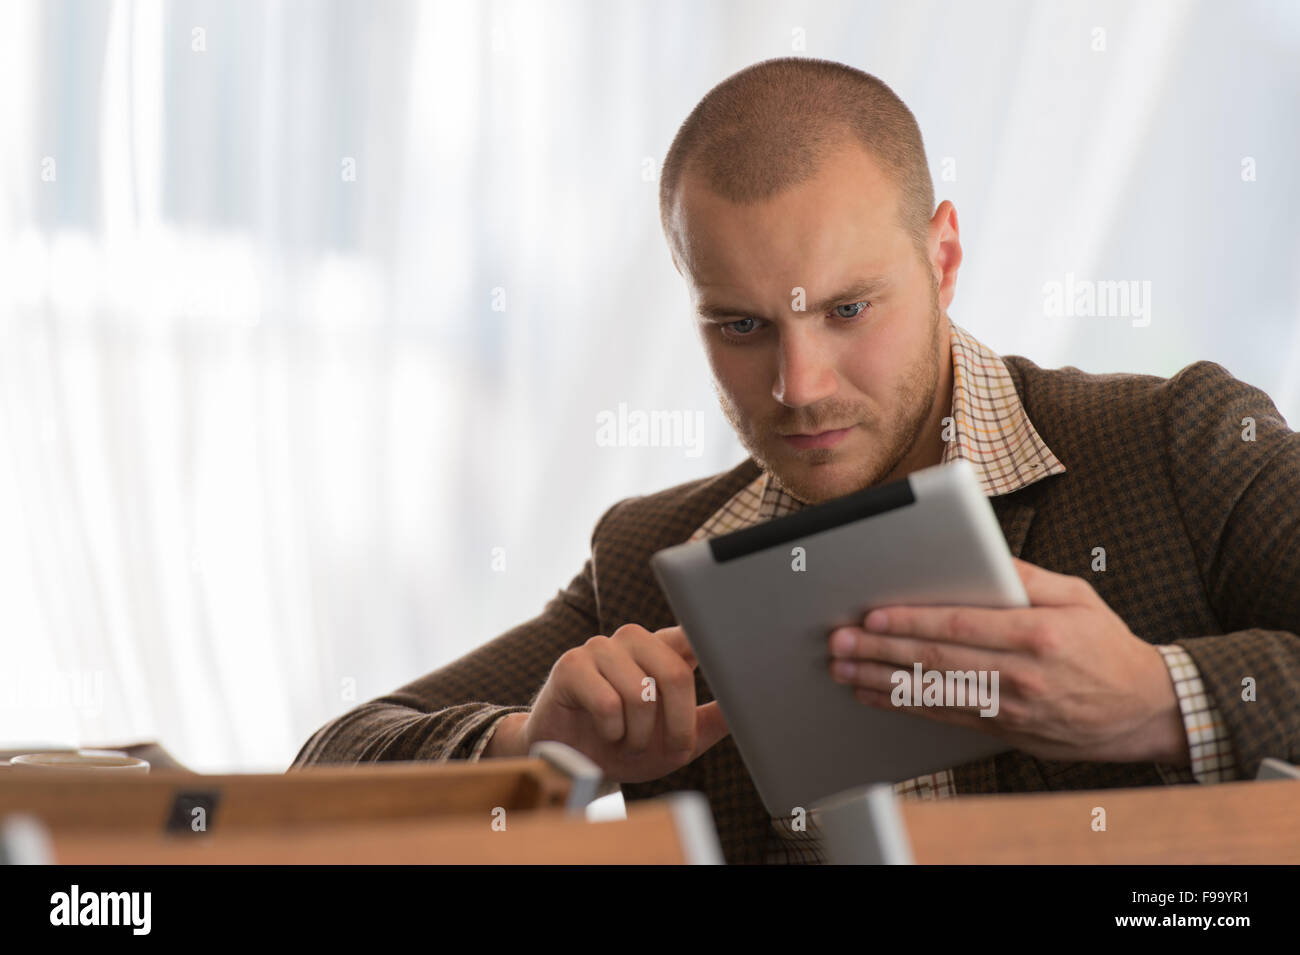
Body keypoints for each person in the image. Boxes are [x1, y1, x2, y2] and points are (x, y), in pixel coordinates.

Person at [292, 56, 1300, 864]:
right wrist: (540, 751)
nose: (797, 386)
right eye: (738, 325)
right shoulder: (650, 558)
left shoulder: (1178, 443)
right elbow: (327, 772)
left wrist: (1162, 701)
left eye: (848, 310)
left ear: (942, 259)